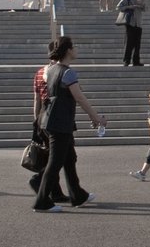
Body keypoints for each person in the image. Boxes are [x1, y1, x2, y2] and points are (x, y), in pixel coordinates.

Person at [33, 36, 104, 212]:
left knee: (69, 159)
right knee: (55, 163)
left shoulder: (50, 70)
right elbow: (79, 97)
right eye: (74, 47)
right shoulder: (68, 73)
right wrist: (95, 117)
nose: (76, 49)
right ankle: (42, 201)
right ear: (68, 51)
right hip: (61, 122)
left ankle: (78, 195)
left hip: (50, 120)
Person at [118, 0, 145, 66]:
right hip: (130, 23)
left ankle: (136, 61)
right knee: (129, 43)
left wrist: (141, 5)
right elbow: (119, 7)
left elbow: (145, 8)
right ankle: (127, 60)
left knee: (137, 44)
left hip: (138, 23)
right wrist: (130, 7)